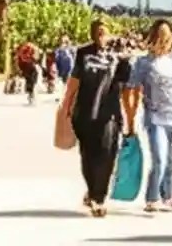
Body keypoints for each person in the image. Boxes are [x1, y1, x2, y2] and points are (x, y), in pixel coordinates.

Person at [123, 19, 172, 212]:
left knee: (171, 161)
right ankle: (152, 197)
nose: (164, 39)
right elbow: (131, 89)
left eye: (167, 35)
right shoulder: (144, 62)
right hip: (155, 118)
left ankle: (168, 195)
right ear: (154, 37)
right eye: (161, 35)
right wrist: (130, 118)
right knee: (160, 158)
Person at [59, 20, 131, 217]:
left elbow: (125, 84)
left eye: (105, 32)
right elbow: (74, 81)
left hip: (109, 113)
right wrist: (66, 106)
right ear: (92, 34)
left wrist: (125, 60)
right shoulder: (84, 53)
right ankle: (92, 191)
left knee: (108, 154)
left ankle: (99, 198)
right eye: (98, 32)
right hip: (85, 112)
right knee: (89, 156)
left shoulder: (118, 55)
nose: (101, 36)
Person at [16, 40, 41, 105]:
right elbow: (37, 57)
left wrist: (20, 69)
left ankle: (30, 94)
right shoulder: (33, 48)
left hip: (26, 68)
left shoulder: (23, 49)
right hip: (32, 66)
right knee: (33, 81)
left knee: (29, 80)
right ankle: (32, 94)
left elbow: (19, 60)